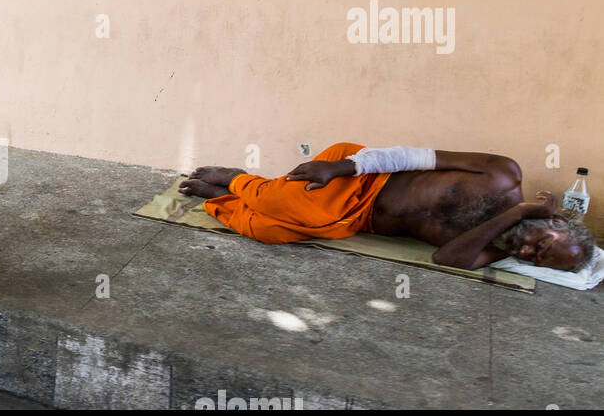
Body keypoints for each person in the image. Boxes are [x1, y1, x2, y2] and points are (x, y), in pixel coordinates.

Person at [178, 143, 596, 272]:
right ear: (557, 222)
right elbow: (411, 156)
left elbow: (446, 258)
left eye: (536, 262)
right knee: (296, 207)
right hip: (361, 177)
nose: (527, 253)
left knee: (273, 230)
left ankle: (220, 199)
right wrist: (339, 166)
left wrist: (520, 215)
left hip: (359, 221)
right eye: (541, 246)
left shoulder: (497, 245)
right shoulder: (503, 174)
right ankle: (233, 177)